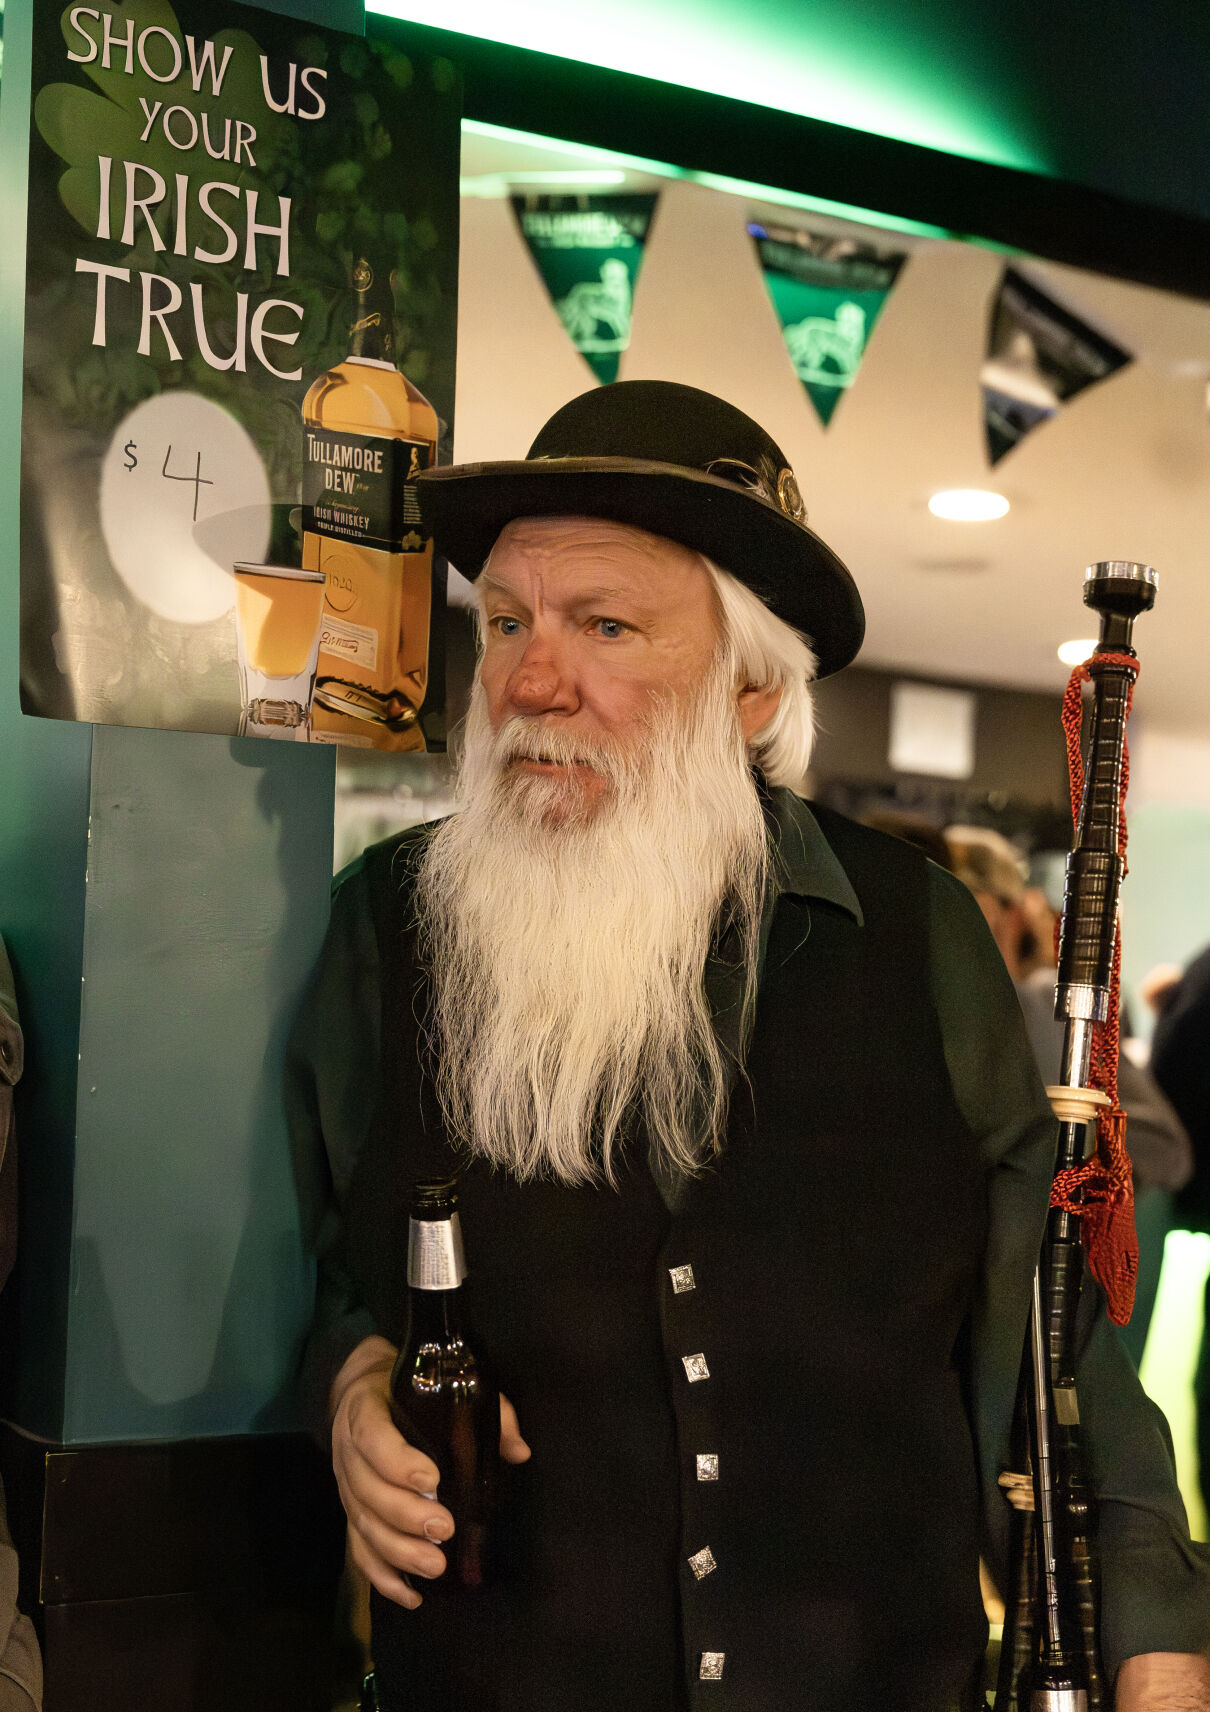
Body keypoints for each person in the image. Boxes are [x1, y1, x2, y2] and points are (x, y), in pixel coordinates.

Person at [288, 381, 1210, 1712]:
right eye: (504, 624)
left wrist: (1152, 1642)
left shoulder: (917, 938)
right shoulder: (385, 928)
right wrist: (352, 1381)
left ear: (752, 690)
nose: (530, 681)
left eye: (604, 625)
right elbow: (305, 1265)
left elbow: (1044, 1332)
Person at [947, 827, 1194, 1368]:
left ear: (1005, 911)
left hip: (1049, 1315)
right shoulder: (973, 1011)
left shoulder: (1044, 1006)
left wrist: (1053, 1169)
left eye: (961, 896)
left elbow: (1165, 1148)